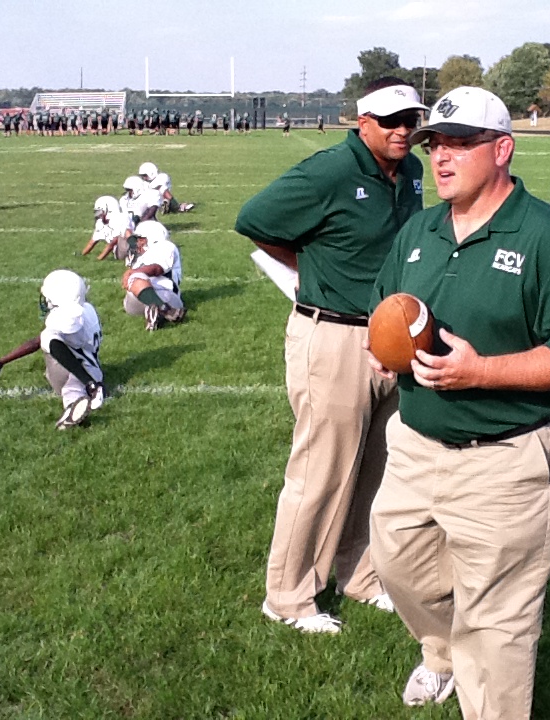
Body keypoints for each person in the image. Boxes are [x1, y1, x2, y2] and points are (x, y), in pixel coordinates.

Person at [365, 86, 550, 719]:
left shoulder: (547, 238)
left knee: (498, 623)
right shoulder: (419, 228)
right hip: (414, 446)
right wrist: (383, 346)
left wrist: (481, 371)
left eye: (460, 144)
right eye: (435, 144)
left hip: (504, 460)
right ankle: (442, 653)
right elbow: (386, 307)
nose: (441, 158)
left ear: (502, 149)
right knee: (400, 570)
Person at [234, 76, 429, 633]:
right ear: (361, 122)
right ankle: (288, 596)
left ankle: (361, 575)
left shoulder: (411, 172)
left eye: (410, 119)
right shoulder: (330, 170)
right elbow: (254, 221)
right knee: (321, 473)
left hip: (389, 339)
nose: (402, 130)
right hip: (335, 336)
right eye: (389, 121)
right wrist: (310, 268)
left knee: (379, 468)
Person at [0, 269, 106, 430]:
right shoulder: (87, 309)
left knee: (51, 341)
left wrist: (89, 382)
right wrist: (3, 361)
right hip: (93, 367)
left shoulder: (64, 318)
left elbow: (45, 341)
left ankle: (73, 405)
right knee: (51, 340)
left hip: (81, 372)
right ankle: (84, 393)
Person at [120, 220, 186, 330]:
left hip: (166, 294)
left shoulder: (165, 246)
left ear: (152, 237)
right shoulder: (142, 256)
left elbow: (157, 268)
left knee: (136, 277)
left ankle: (164, 310)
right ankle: (159, 310)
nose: (138, 243)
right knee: (135, 279)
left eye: (140, 239)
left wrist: (134, 272)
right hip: (140, 298)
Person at [82, 195, 134, 260]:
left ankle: (136, 251)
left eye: (100, 211)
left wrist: (99, 258)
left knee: (127, 232)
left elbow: (113, 242)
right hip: (119, 252)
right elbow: (92, 242)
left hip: (128, 247)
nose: (98, 214)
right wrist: (82, 255)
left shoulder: (122, 217)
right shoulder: (100, 223)